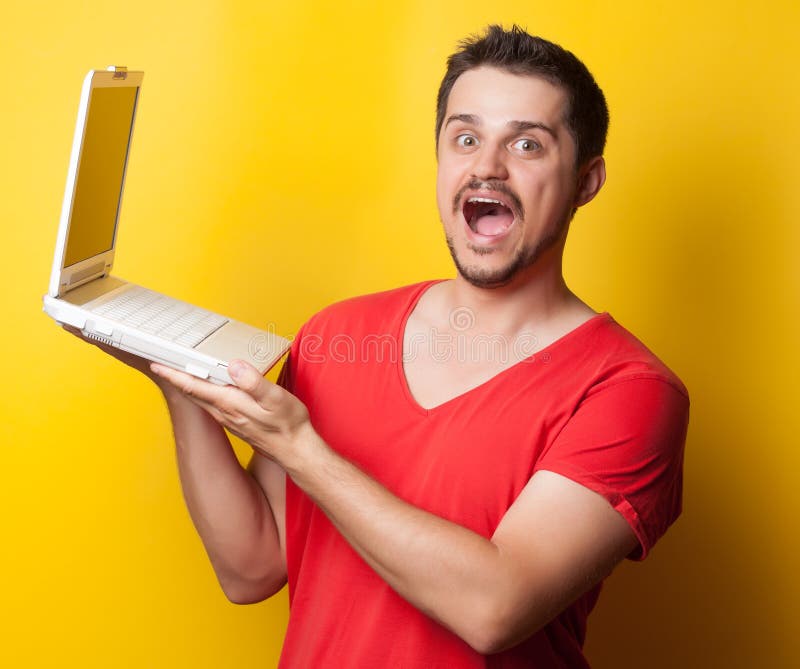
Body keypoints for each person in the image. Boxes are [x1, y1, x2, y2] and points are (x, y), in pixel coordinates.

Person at [72, 25, 689, 668]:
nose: (487, 166)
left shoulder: (628, 391)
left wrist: (298, 446)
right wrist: (179, 383)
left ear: (586, 181)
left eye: (528, 144)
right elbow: (251, 568)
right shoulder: (337, 336)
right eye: (466, 138)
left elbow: (495, 607)